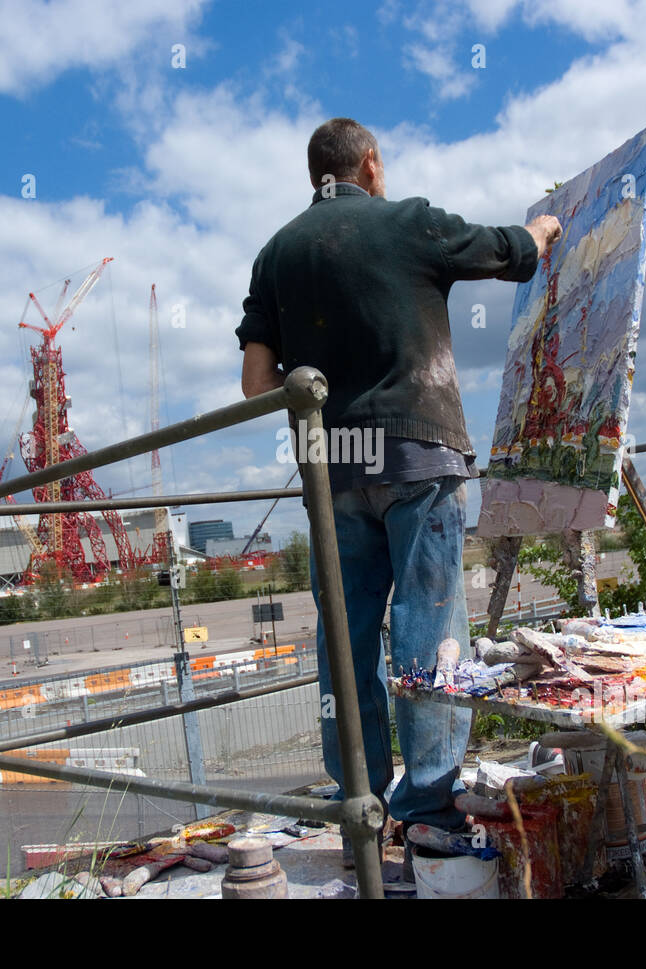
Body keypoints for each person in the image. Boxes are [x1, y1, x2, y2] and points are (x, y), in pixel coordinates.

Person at [235, 117, 561, 861]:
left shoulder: (275, 255)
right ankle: (428, 810)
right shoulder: (410, 223)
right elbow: (505, 251)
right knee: (431, 632)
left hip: (331, 472)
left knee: (345, 641)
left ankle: (361, 803)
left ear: (316, 175)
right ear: (371, 165)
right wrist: (540, 232)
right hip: (418, 454)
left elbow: (257, 383)